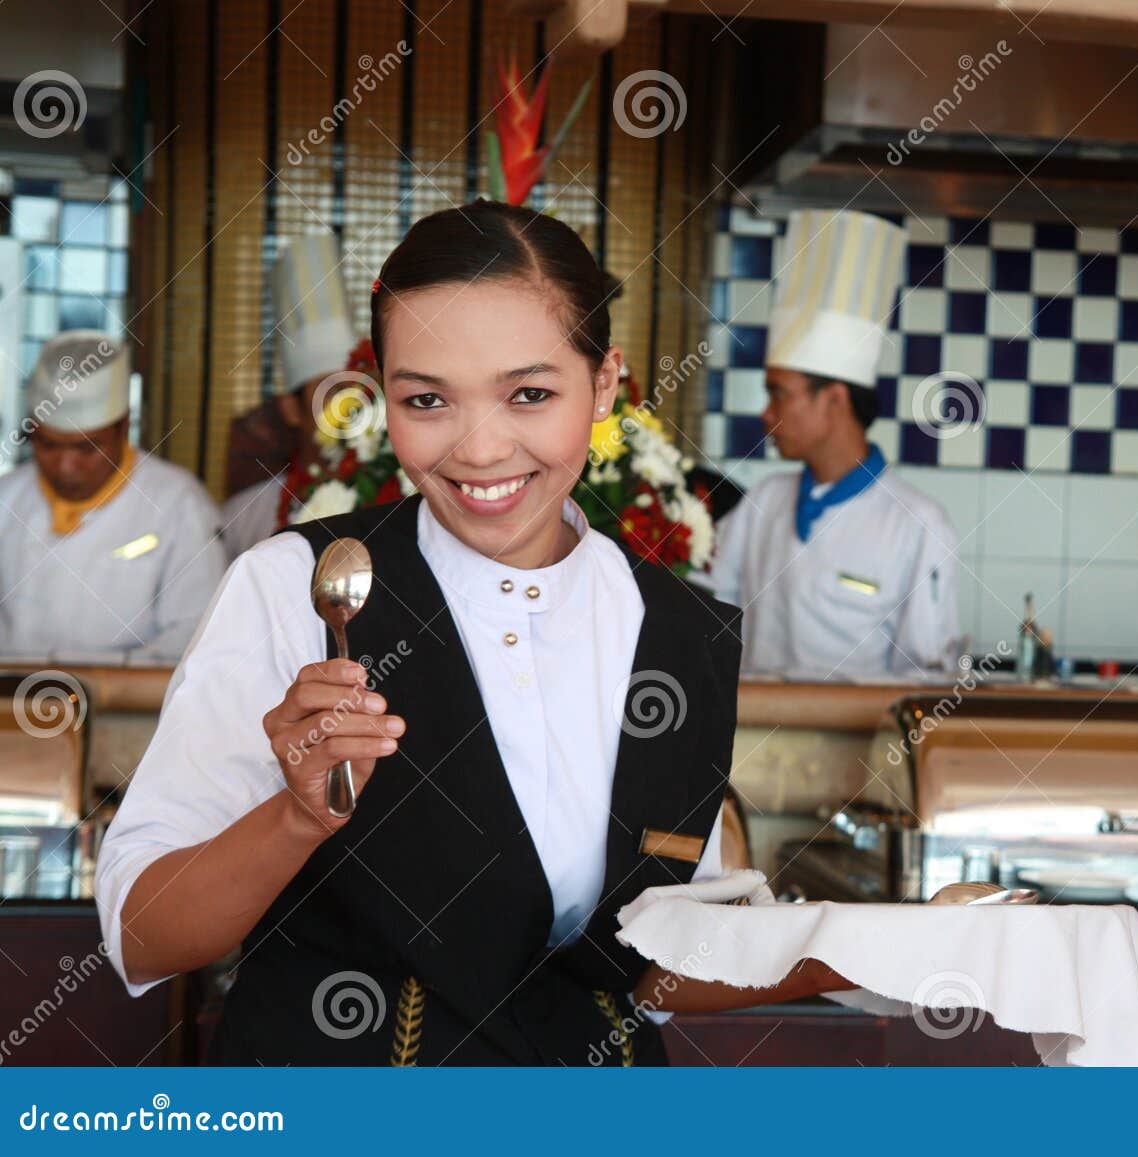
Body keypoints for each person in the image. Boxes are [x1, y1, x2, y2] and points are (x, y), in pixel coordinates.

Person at [94, 202, 855, 1066]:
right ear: (382, 398)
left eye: (530, 393)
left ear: (604, 384)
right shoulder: (296, 588)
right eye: (428, 400)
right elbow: (143, 933)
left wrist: (887, 952)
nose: (481, 448)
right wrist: (297, 816)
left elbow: (662, 964)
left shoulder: (678, 632)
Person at [707, 209, 961, 678]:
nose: (766, 413)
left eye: (779, 394)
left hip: (860, 751)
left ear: (834, 401)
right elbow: (707, 607)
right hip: (752, 743)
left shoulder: (919, 525)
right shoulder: (764, 500)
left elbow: (926, 674)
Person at [0, 332, 227, 662]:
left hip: (131, 709)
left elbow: (195, 636)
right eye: (48, 445)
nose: (66, 467)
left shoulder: (180, 505)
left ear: (123, 427)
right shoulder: (7, 500)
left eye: (86, 448)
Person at [221, 232, 359, 557]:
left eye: (360, 391)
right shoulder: (243, 517)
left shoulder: (399, 500)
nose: (351, 408)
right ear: (291, 410)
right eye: (332, 392)